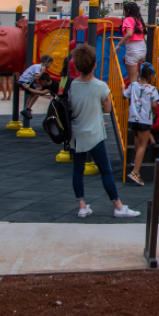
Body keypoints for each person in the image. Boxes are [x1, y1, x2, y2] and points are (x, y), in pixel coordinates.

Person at [68, 44, 140, 218]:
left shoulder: (72, 85)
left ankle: (82, 206)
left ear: (76, 66)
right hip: (94, 134)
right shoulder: (100, 86)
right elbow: (107, 108)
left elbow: (71, 105)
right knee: (105, 171)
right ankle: (118, 206)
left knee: (78, 170)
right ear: (94, 64)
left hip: (76, 135)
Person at [125, 62, 159, 186]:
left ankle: (136, 161)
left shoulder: (133, 85)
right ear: (150, 75)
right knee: (142, 146)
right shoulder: (152, 89)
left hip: (132, 119)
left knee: (136, 137)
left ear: (139, 73)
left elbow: (125, 95)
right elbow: (154, 105)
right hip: (144, 119)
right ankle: (135, 172)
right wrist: (154, 114)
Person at [116, 1, 148, 88]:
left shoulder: (127, 20)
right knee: (124, 59)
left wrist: (118, 44)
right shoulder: (139, 20)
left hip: (133, 51)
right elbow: (134, 37)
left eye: (125, 10)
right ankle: (138, 79)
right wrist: (115, 38)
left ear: (128, 10)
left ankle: (134, 99)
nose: (125, 12)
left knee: (132, 80)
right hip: (142, 51)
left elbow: (129, 34)